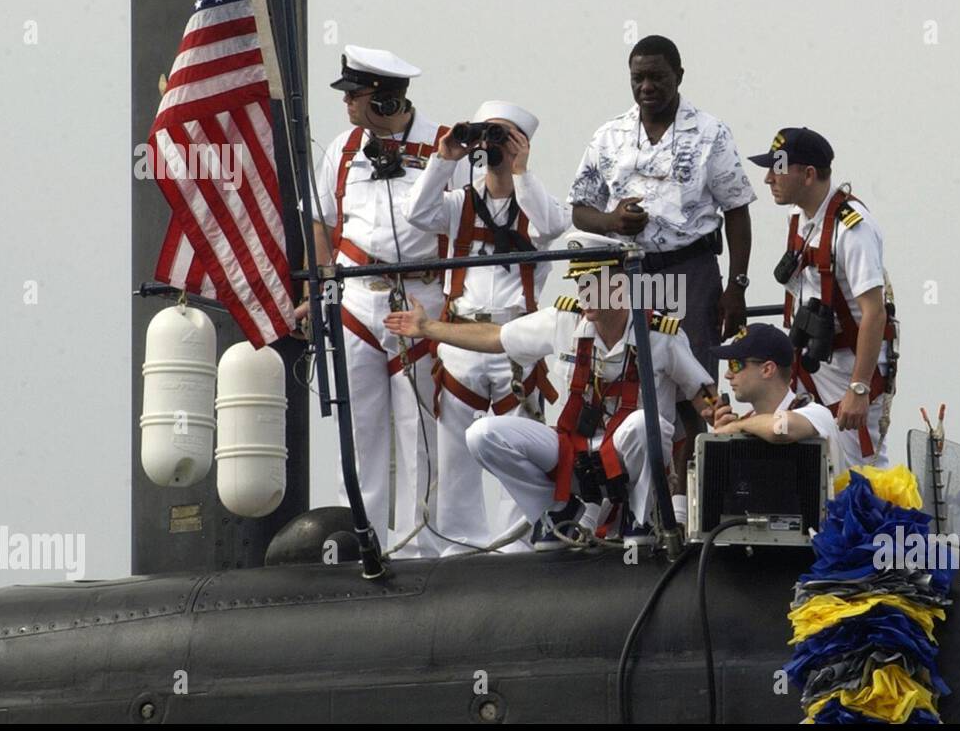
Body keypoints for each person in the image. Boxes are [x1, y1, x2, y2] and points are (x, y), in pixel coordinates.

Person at [384, 233, 718, 548]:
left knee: (649, 423)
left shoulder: (659, 334)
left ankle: (641, 516)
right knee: (481, 434)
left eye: (593, 284)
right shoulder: (563, 321)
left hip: (627, 454)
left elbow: (700, 391)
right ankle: (559, 513)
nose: (584, 293)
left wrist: (722, 416)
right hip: (576, 453)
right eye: (580, 283)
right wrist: (427, 328)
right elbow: (494, 338)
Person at [297, 45, 469, 557]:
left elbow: (468, 230)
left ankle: (424, 543)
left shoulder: (446, 148)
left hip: (418, 300)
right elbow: (321, 222)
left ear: (389, 100)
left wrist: (456, 300)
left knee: (419, 423)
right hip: (356, 299)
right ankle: (366, 538)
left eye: (357, 95)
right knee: (360, 426)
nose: (347, 104)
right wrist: (320, 287)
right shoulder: (344, 148)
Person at [567, 34, 755, 484]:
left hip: (690, 270)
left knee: (695, 383)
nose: (647, 86)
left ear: (679, 77)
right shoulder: (609, 135)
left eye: (657, 77)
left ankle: (690, 491)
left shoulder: (710, 132)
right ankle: (624, 492)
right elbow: (578, 208)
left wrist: (737, 285)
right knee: (619, 376)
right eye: (638, 78)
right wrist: (612, 221)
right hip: (626, 273)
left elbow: (738, 209)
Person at [401, 101, 569, 553]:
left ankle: (515, 541)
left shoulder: (537, 203)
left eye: (504, 136)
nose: (493, 144)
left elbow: (552, 226)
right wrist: (444, 159)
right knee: (456, 452)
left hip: (517, 342)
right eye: (488, 135)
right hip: (461, 341)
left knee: (517, 447)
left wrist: (521, 169)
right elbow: (416, 214)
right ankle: (461, 544)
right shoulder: (460, 205)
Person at [748, 127, 899, 467]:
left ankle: (892, 520)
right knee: (797, 458)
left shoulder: (852, 230)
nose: (769, 179)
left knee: (859, 469)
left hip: (849, 366)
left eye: (778, 169)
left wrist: (859, 389)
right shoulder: (800, 218)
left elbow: (874, 314)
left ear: (808, 174)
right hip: (811, 361)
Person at [707, 323, 846, 475]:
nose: (727, 374)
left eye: (734, 365)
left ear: (767, 370)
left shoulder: (817, 414)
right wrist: (722, 442)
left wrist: (736, 427)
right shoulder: (750, 422)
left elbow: (780, 428)